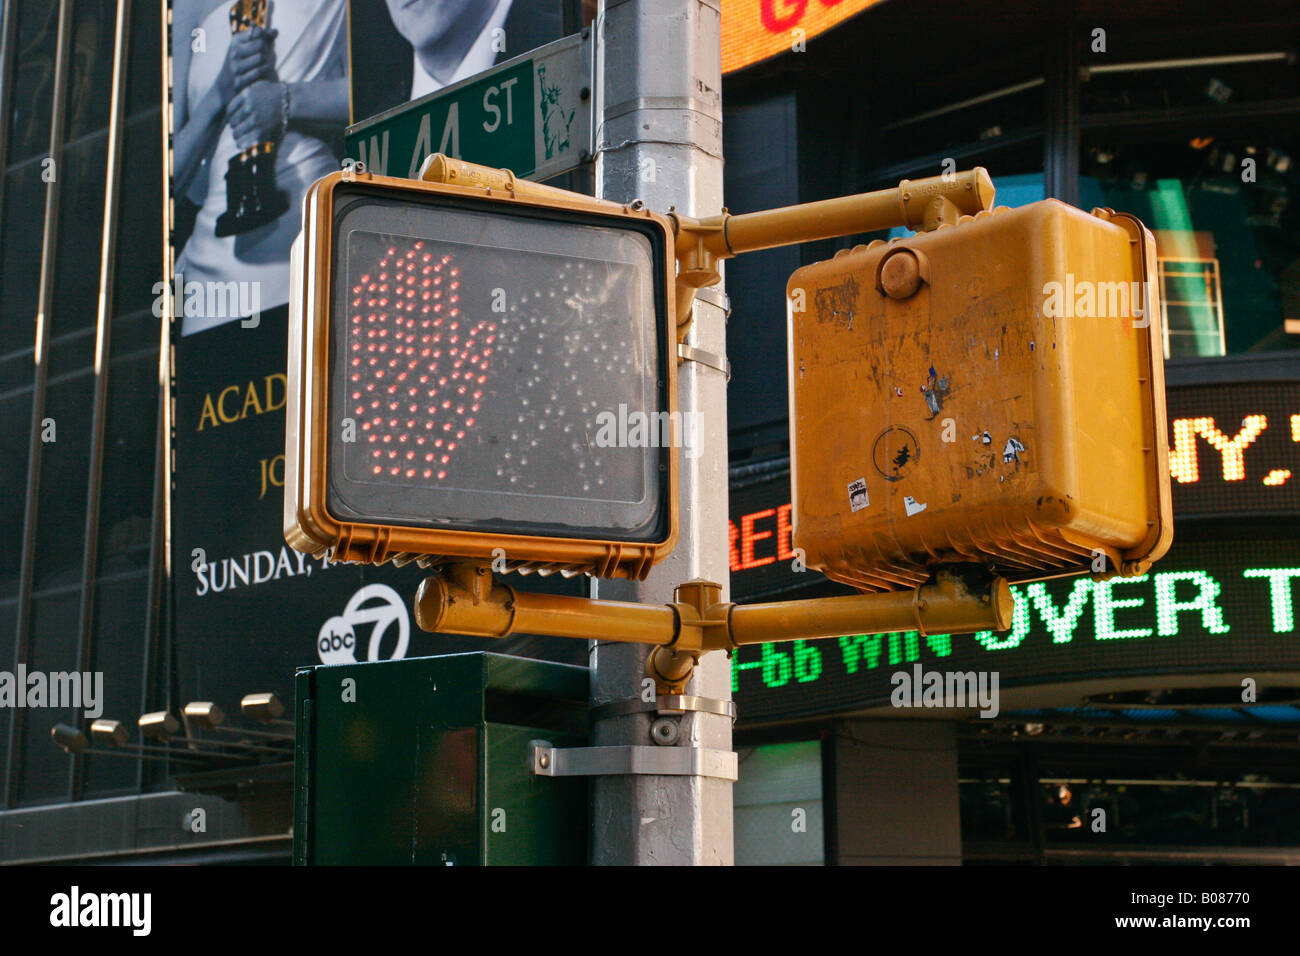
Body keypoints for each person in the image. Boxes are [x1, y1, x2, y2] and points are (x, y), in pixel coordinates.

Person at [172, 0, 349, 334]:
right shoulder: (187, 9)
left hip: (309, 223)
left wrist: (287, 100)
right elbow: (167, 181)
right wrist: (220, 93)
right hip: (213, 264)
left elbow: (390, 89)